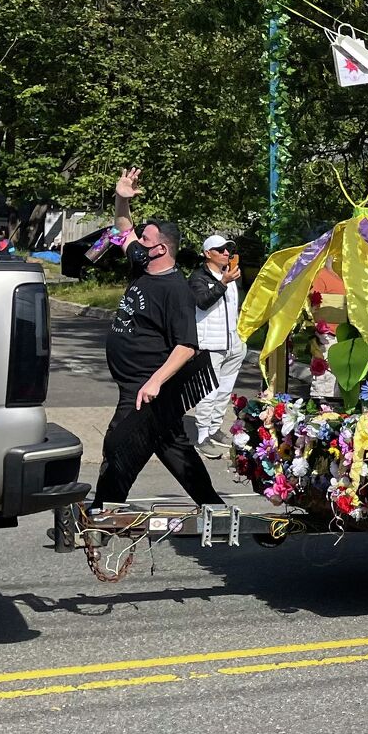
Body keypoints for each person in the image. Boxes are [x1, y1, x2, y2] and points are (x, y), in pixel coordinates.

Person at [92, 171, 223, 509]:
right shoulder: (142, 264)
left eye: (146, 241)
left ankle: (103, 512)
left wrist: (153, 382)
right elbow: (124, 228)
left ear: (161, 248)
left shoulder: (175, 290)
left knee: (119, 444)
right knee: (172, 445)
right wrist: (122, 198)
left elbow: (186, 347)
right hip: (135, 382)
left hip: (145, 384)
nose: (139, 244)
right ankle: (213, 507)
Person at [187, 233, 245, 459]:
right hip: (210, 344)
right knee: (207, 392)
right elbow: (202, 302)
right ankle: (202, 437)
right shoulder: (198, 278)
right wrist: (222, 283)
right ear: (207, 254)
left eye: (228, 249)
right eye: (220, 250)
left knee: (224, 391)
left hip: (232, 343)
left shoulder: (229, 276)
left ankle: (214, 428)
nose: (226, 253)